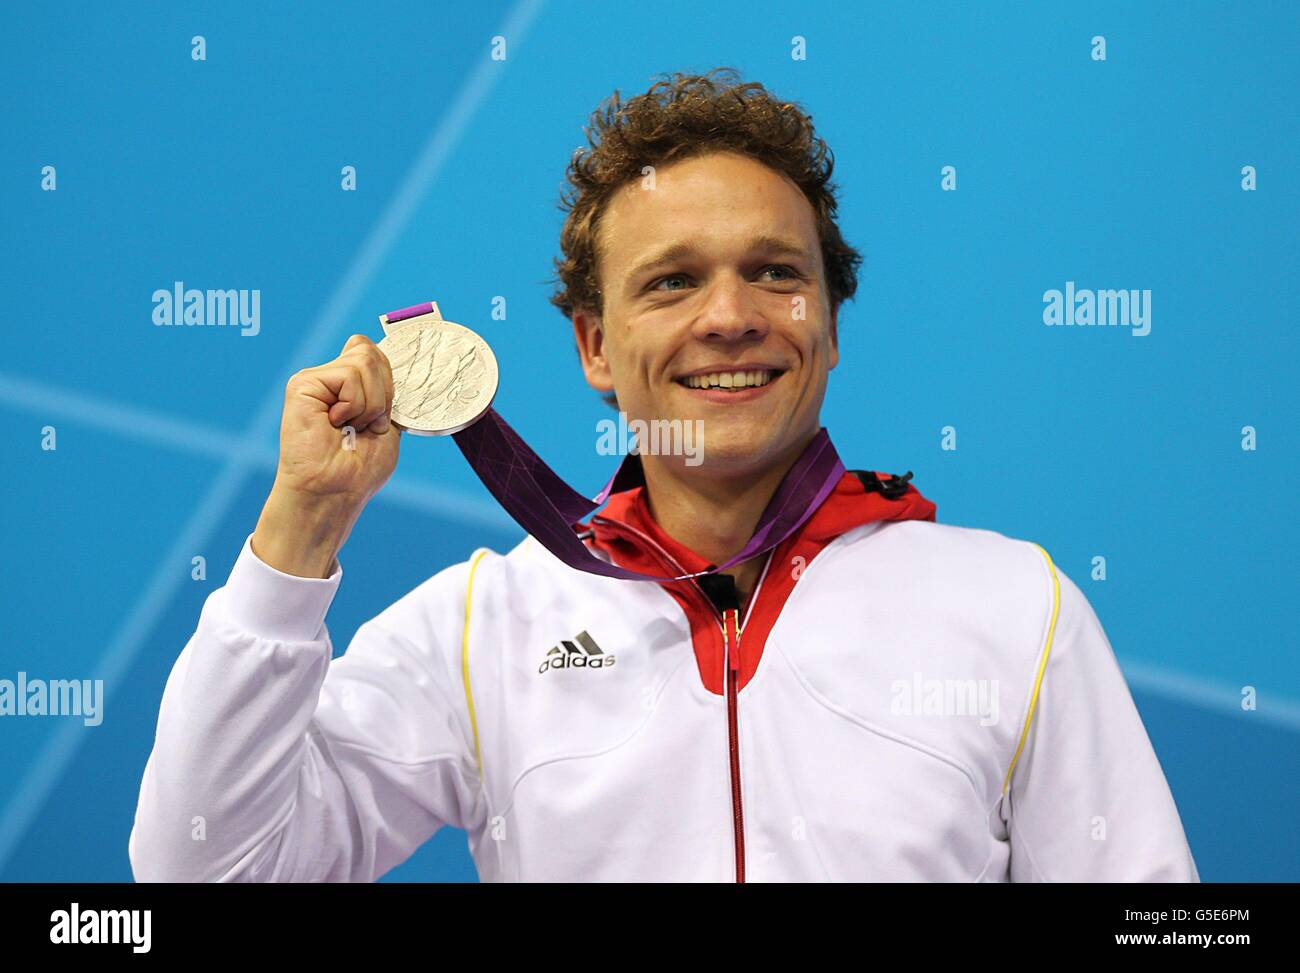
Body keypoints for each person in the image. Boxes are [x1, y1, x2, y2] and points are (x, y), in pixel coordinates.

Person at [129, 68, 1198, 882]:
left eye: (775, 273)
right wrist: (299, 531)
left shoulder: (1010, 606)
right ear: (594, 345)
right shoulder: (478, 631)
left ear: (826, 323)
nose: (729, 316)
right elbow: (205, 868)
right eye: (673, 281)